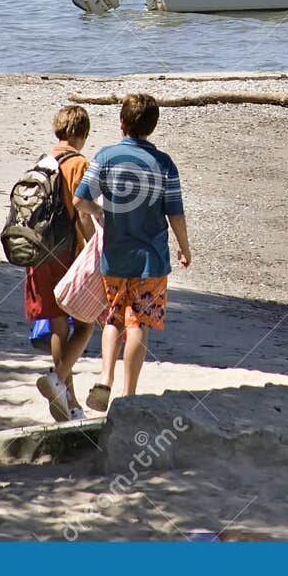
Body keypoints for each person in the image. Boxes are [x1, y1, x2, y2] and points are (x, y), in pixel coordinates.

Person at [74, 94, 191, 409]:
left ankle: (104, 378)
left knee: (112, 318)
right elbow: (175, 213)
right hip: (150, 260)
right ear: (152, 127)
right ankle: (129, 394)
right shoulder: (164, 163)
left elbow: (79, 200)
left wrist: (99, 212)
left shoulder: (105, 156)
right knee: (137, 322)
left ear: (121, 122)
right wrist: (184, 246)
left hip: (114, 255)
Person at [28, 105, 98, 422]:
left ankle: (67, 399)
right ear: (81, 134)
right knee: (85, 324)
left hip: (36, 249)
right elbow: (82, 210)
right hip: (65, 251)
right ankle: (59, 382)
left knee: (58, 323)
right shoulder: (79, 163)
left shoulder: (43, 160)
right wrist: (96, 242)